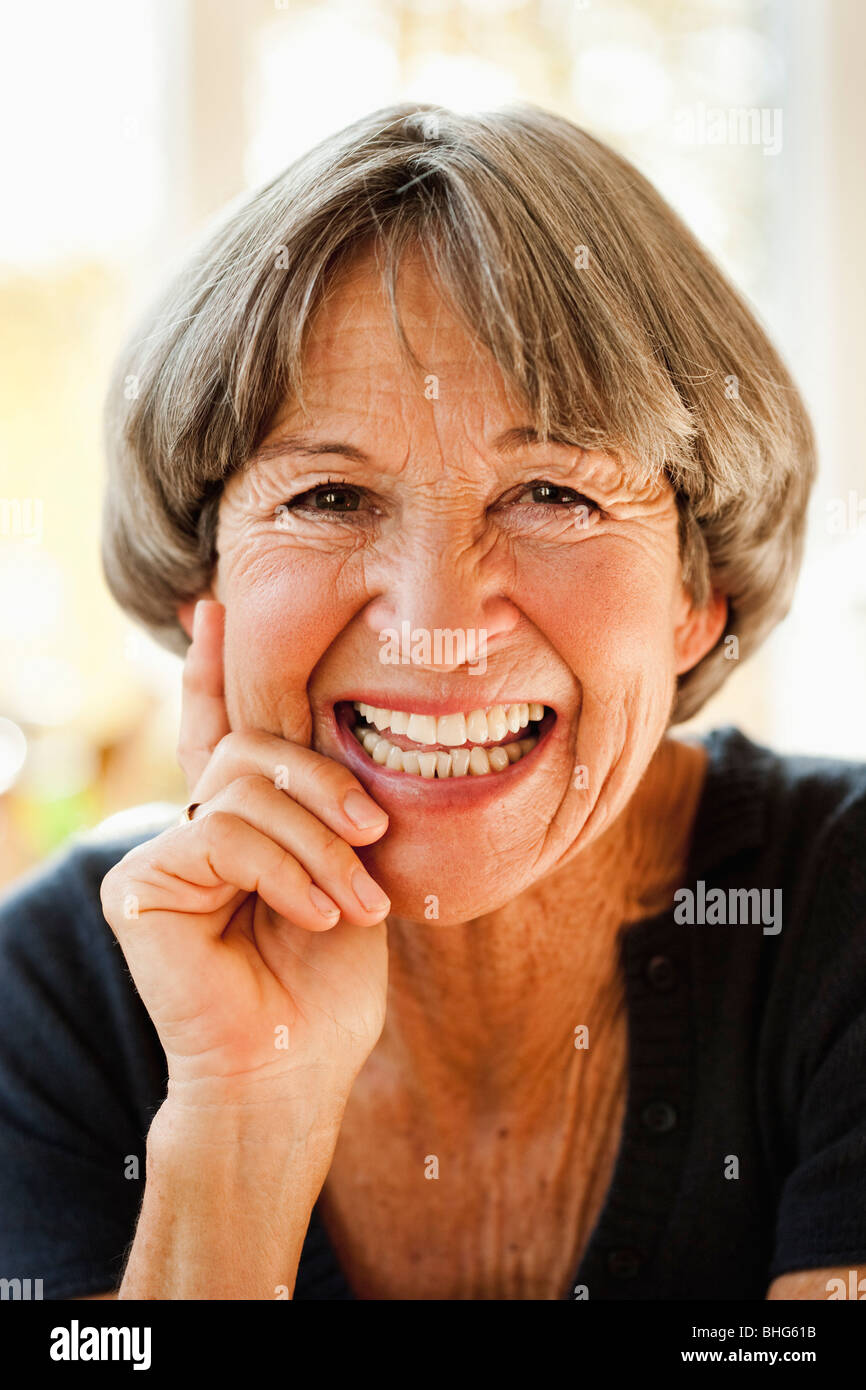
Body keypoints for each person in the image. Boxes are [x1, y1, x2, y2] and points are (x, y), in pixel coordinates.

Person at [1, 102, 864, 1301]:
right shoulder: (52, 994)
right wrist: (246, 1117)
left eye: (553, 491)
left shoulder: (841, 916)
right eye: (328, 498)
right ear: (210, 588)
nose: (434, 623)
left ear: (696, 594)